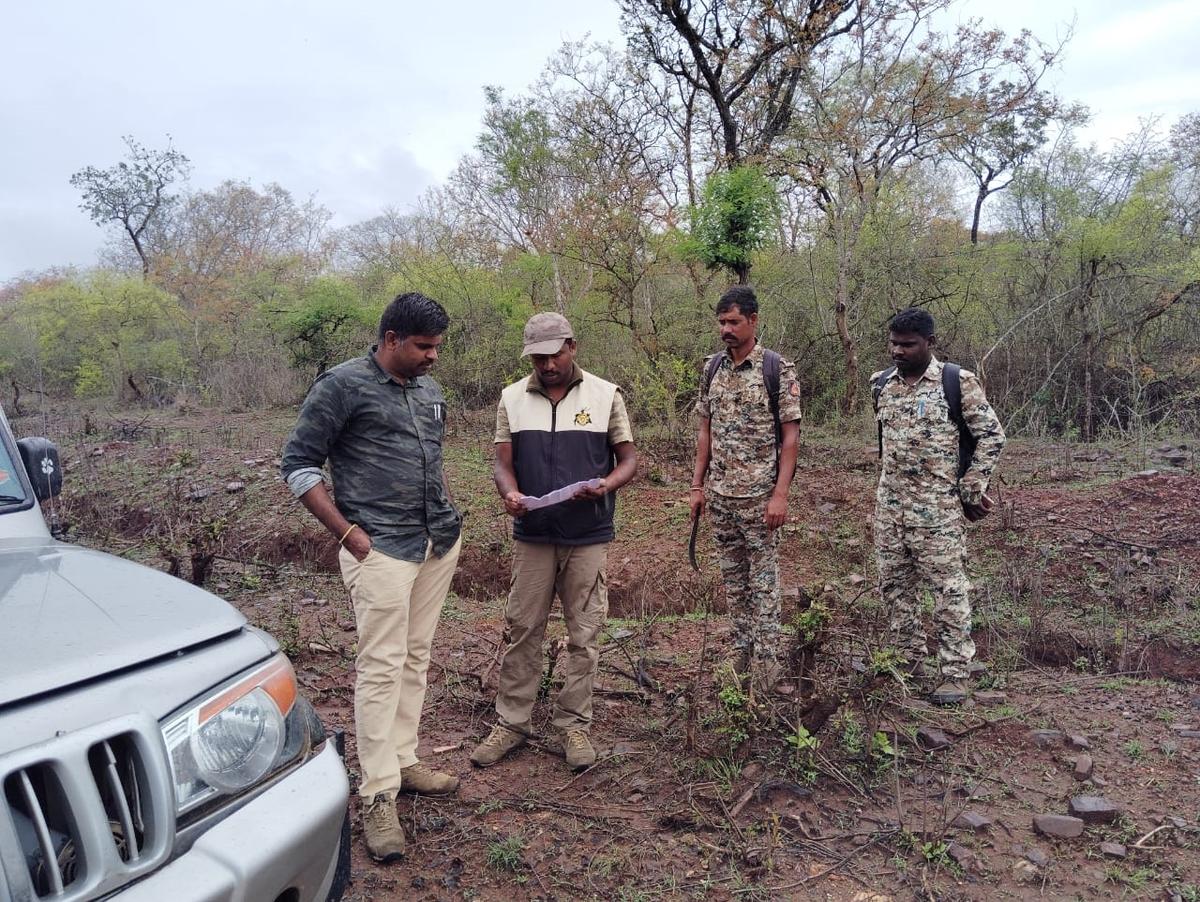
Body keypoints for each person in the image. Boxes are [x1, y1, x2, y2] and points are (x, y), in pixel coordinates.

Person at [280, 292, 462, 863]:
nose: (433, 356)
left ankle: (403, 761)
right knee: (381, 665)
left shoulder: (429, 391)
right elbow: (298, 465)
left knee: (416, 656)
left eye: (437, 346)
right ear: (390, 339)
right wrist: (347, 533)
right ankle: (378, 792)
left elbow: (432, 460)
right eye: (424, 346)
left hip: (436, 542)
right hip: (379, 547)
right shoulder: (341, 386)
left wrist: (449, 515)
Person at [470, 312, 637, 772]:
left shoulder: (605, 395)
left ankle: (574, 725)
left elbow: (628, 460)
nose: (546, 365)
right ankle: (512, 722)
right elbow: (502, 463)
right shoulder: (511, 398)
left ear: (572, 347)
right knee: (523, 627)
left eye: (554, 355)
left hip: (587, 534)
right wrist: (509, 493)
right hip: (533, 534)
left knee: (585, 632)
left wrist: (606, 485)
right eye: (537, 358)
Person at [871, 307, 1006, 705]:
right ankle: (907, 664)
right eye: (894, 344)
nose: (898, 351)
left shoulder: (956, 382)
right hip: (890, 511)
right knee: (895, 590)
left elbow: (992, 436)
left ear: (930, 343)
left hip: (938, 515)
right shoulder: (881, 384)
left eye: (908, 345)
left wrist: (972, 486)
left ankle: (955, 674)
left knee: (949, 593)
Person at [689, 285, 802, 688]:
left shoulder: (776, 369)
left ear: (753, 320)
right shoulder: (712, 368)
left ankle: (768, 663)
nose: (726, 329)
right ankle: (741, 654)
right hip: (721, 498)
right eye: (721, 322)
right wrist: (697, 486)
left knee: (764, 583)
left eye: (734, 322)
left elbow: (791, 438)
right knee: (734, 582)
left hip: (760, 500)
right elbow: (705, 430)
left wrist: (780, 495)